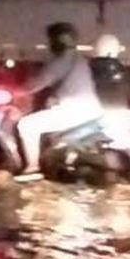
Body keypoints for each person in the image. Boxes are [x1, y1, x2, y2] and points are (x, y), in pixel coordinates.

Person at [15, 22, 102, 174]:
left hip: (73, 111)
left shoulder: (63, 60)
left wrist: (17, 90)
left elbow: (39, 82)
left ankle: (32, 167)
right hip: (91, 111)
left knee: (26, 125)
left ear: (56, 40)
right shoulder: (79, 59)